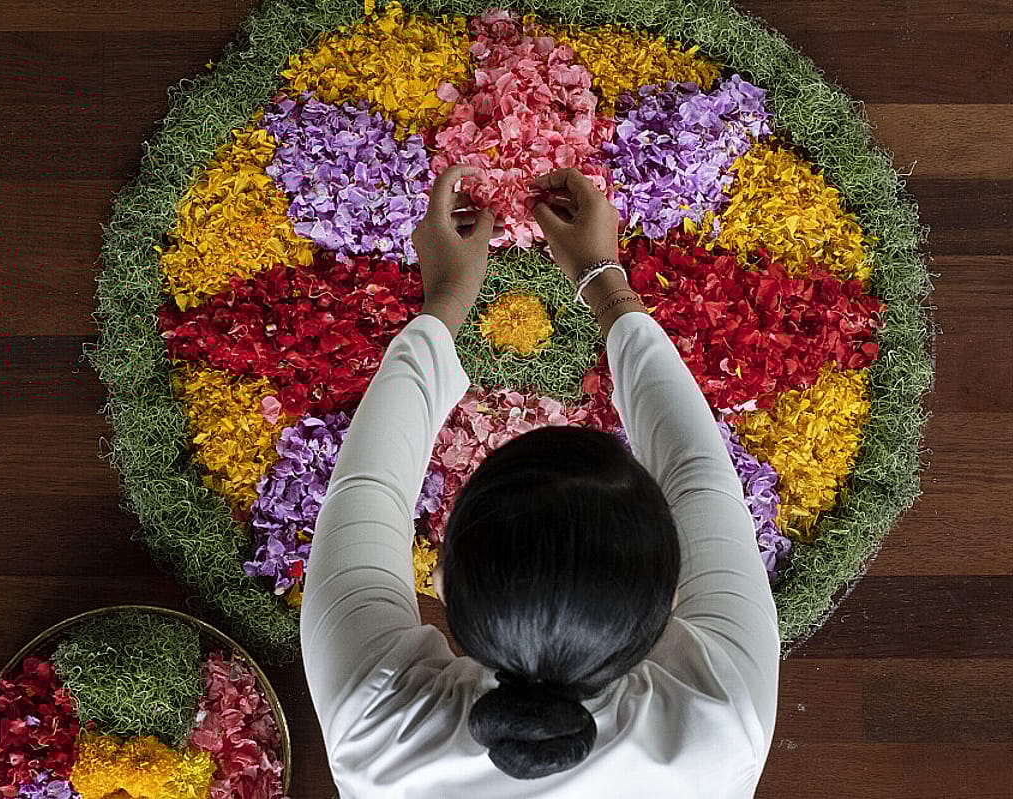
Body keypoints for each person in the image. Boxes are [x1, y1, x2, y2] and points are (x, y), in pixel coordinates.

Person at [302, 164, 780, 798]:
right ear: (668, 604)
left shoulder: (375, 727)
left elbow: (368, 491)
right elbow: (699, 474)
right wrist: (604, 282)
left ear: (440, 582)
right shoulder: (721, 724)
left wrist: (446, 297)